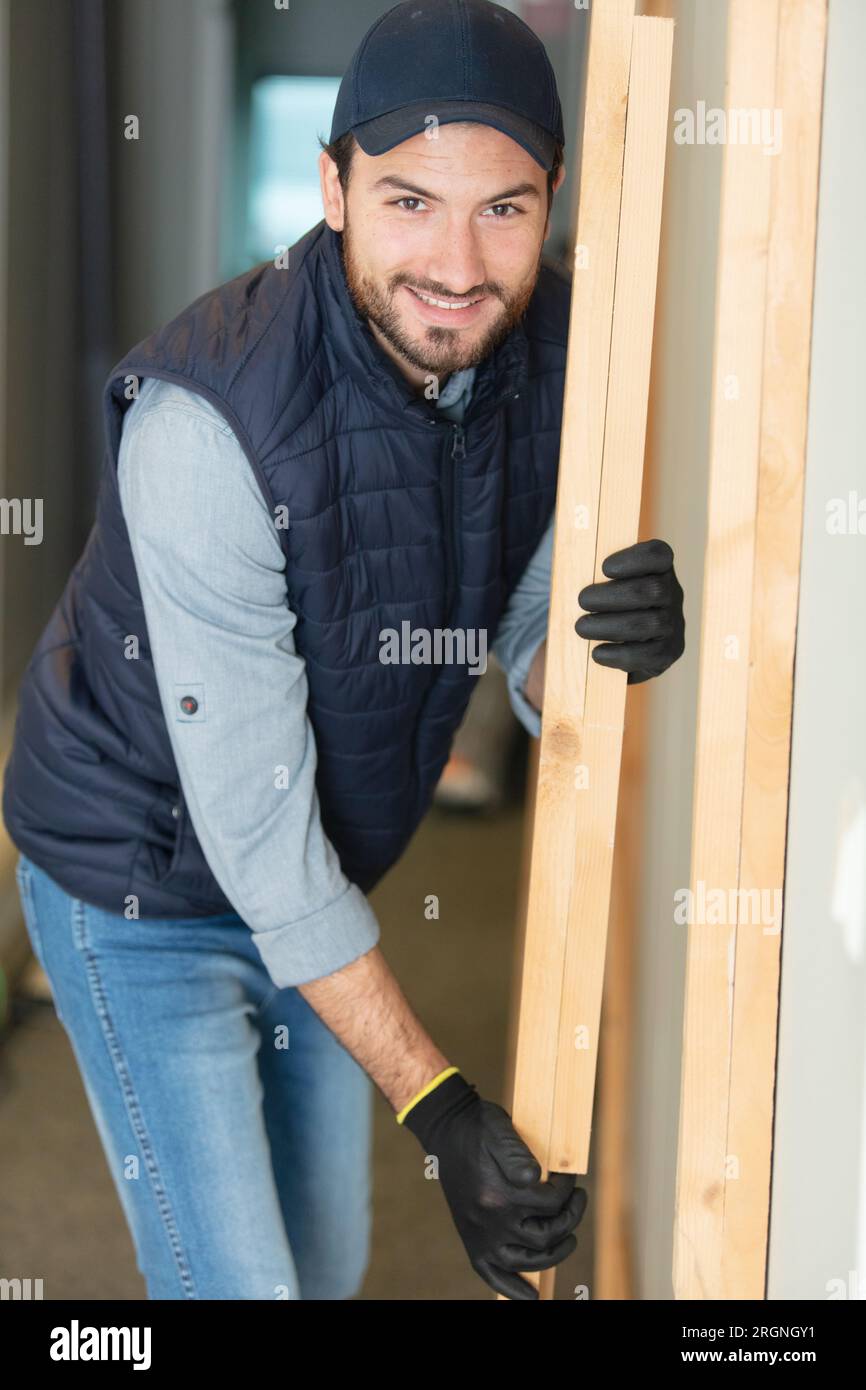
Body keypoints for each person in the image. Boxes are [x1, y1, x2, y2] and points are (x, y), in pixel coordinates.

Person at [3, 0, 684, 1300]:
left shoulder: (556, 352)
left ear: (552, 199)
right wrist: (436, 1105)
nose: (458, 261)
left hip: (310, 869)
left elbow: (535, 630)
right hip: (133, 882)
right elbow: (255, 843)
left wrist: (620, 641)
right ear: (331, 187)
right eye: (409, 199)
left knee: (325, 1271)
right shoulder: (210, 425)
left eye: (504, 207)